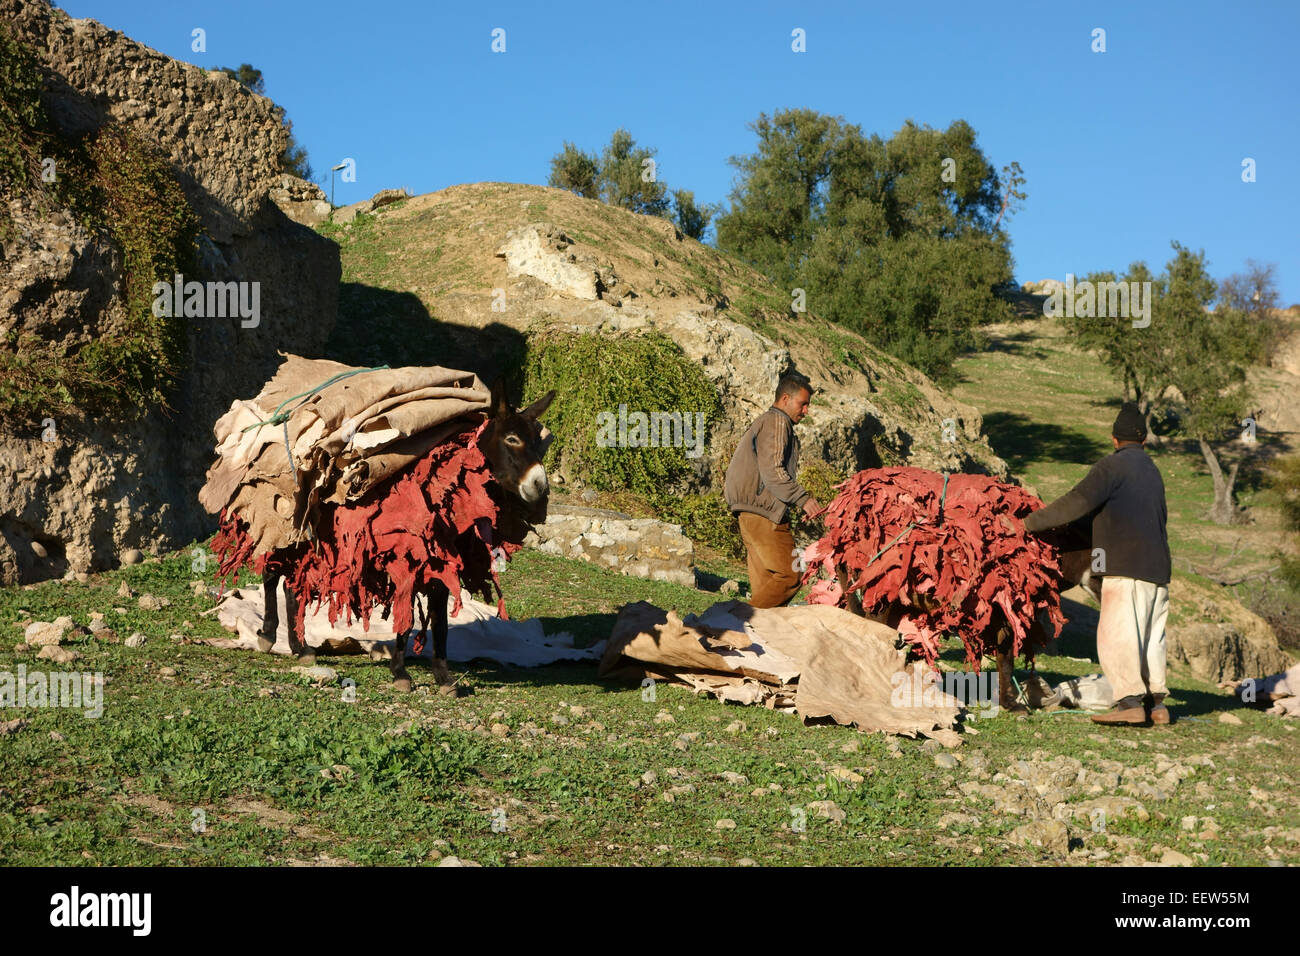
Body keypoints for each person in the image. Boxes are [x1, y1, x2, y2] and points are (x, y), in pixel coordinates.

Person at [1022, 402, 1172, 726]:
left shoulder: (1111, 467)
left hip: (1125, 569)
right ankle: (1158, 705)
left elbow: (1075, 502)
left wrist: (1028, 524)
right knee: (1151, 639)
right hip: (1159, 572)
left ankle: (1129, 703)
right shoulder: (1152, 471)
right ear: (1144, 441)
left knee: (1116, 635)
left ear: (1114, 439)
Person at [724, 372, 822, 608]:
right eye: (803, 404)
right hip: (764, 513)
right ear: (785, 398)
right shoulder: (777, 421)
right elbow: (773, 470)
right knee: (790, 575)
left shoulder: (767, 421)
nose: (806, 411)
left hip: (749, 513)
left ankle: (745, 629)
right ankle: (734, 620)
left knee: (766, 585)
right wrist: (803, 499)